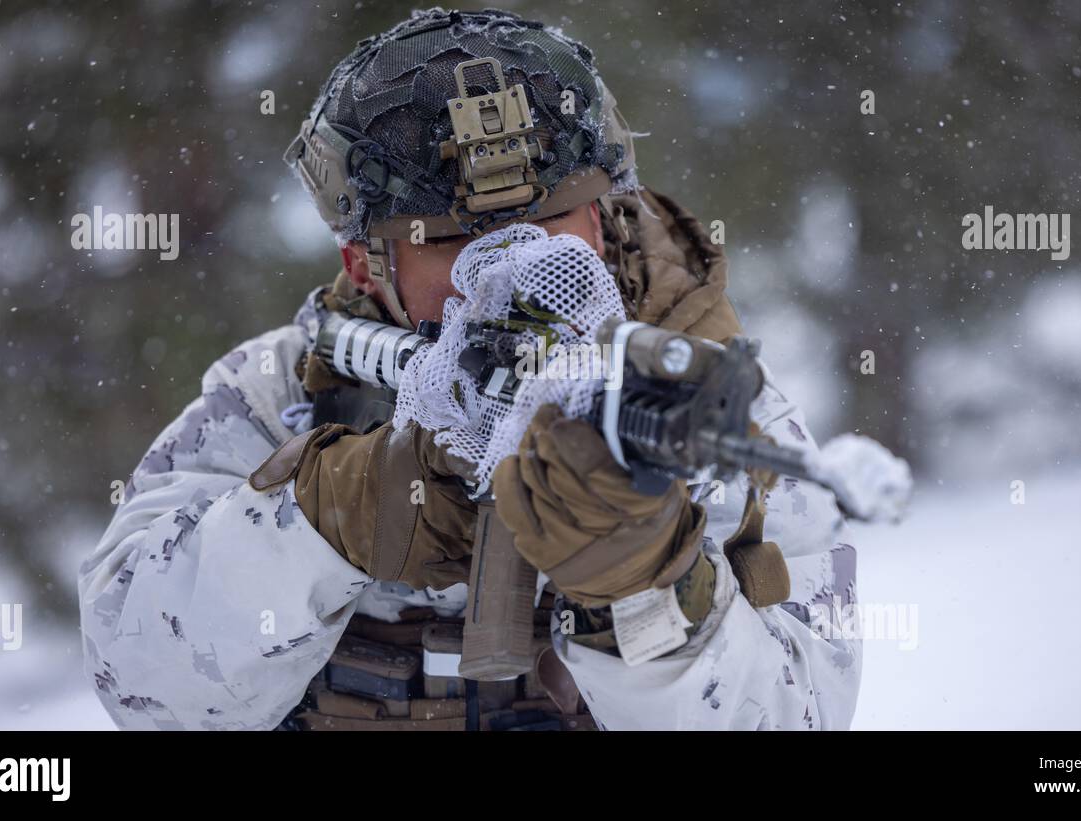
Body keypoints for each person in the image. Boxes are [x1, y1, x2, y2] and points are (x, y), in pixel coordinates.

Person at [78, 7, 861, 731]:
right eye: (453, 241)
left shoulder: (704, 409)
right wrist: (342, 510)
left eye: (551, 219)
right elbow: (139, 679)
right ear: (367, 262)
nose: (517, 267)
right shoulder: (278, 393)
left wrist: (643, 580)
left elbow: (802, 712)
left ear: (604, 213)